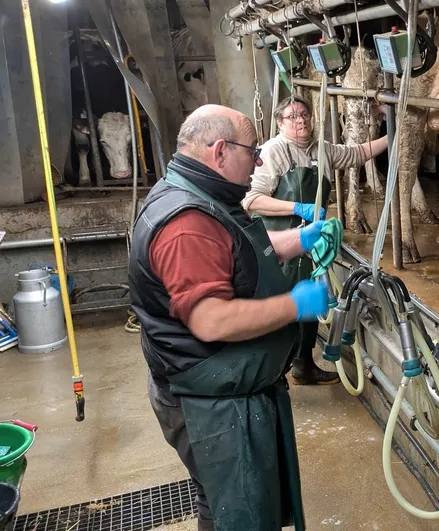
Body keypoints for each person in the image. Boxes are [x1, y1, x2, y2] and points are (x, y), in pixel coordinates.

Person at [129, 104, 336, 531]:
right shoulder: (186, 222)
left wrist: (299, 238)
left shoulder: (205, 195)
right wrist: (297, 304)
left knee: (240, 503)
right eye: (253, 150)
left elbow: (238, 254)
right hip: (209, 400)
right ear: (220, 151)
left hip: (226, 386)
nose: (260, 159)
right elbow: (212, 321)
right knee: (234, 513)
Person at [242, 95, 388, 385]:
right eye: (293, 116)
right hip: (280, 243)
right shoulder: (273, 151)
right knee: (282, 308)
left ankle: (303, 365)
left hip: (309, 244)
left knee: (307, 310)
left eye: (305, 115)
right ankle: (273, 373)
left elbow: (355, 153)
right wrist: (297, 208)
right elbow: (251, 200)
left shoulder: (319, 150)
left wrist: (390, 135)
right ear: (280, 122)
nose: (301, 121)